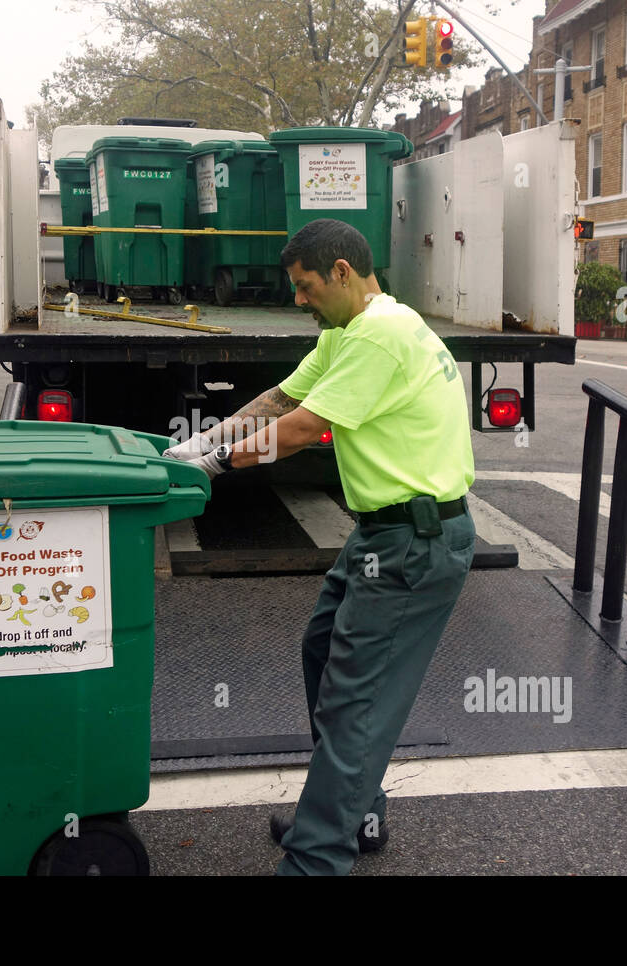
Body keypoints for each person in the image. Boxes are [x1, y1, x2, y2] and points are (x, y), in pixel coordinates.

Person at [164, 219, 477, 876]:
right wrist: (196, 443)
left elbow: (303, 429)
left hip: (413, 541)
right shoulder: (350, 331)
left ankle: (315, 858)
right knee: (322, 652)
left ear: (340, 272)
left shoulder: (381, 336)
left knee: (354, 698)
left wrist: (217, 465)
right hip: (384, 535)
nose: (299, 301)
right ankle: (352, 810)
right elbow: (280, 399)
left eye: (305, 287)